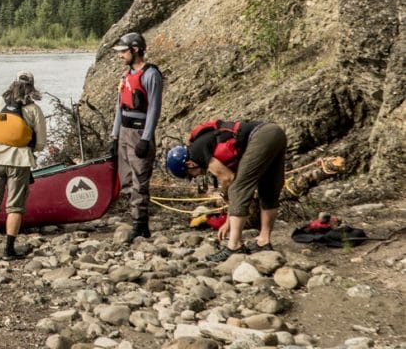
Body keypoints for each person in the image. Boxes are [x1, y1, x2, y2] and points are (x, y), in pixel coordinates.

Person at [166, 119, 287, 259]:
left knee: (237, 189)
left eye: (190, 175)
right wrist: (227, 222)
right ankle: (264, 241)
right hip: (275, 132)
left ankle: (234, 246)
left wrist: (223, 192)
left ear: (190, 164)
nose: (196, 177)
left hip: (261, 137)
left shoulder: (196, 152)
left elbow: (229, 178)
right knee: (268, 189)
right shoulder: (203, 145)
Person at [0, 71, 48, 260]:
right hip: (20, 161)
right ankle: (8, 250)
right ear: (31, 87)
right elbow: (40, 143)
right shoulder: (34, 109)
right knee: (15, 207)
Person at [109, 31, 164, 239]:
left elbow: (154, 109)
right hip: (124, 131)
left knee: (140, 180)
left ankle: (141, 224)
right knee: (126, 180)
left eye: (123, 51)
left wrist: (146, 138)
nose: (120, 55)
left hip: (140, 132)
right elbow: (119, 107)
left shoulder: (151, 75)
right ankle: (135, 218)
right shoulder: (125, 76)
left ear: (135, 50)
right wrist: (115, 137)